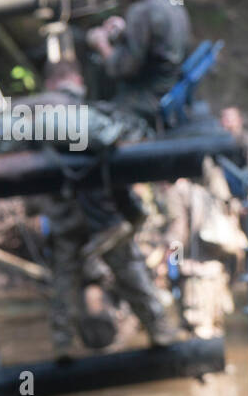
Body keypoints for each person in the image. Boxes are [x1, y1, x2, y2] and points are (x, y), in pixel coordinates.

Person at [32, 60, 181, 359]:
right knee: (129, 271)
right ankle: (160, 331)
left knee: (64, 280)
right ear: (77, 80)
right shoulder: (93, 113)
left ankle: (62, 345)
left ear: (49, 84)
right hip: (105, 215)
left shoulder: (37, 117)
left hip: (66, 214)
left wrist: (36, 209)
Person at [86, 0, 190, 127]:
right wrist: (124, 31)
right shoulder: (174, 5)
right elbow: (159, 46)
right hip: (169, 91)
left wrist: (101, 43)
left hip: (145, 102)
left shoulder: (140, 11)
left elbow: (122, 69)